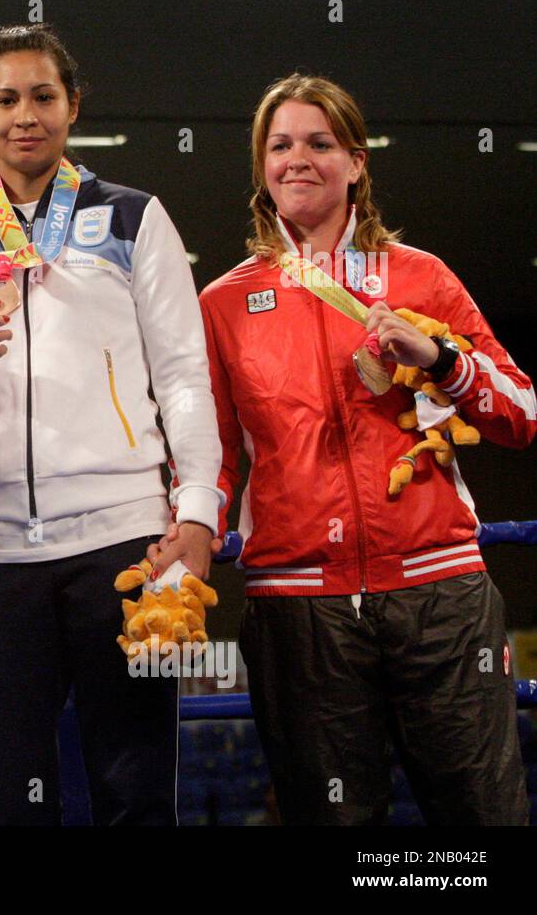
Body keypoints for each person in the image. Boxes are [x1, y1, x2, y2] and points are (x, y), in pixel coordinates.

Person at [188, 74, 536, 824]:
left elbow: (522, 413)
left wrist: (442, 359)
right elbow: (208, 456)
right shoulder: (222, 303)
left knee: (485, 819)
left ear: (356, 162)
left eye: (320, 143)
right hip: (298, 605)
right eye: (280, 145)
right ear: (261, 166)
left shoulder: (422, 276)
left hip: (439, 593)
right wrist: (186, 548)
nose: (298, 159)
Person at [0, 24, 224, 825]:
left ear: (73, 105)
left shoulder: (134, 218)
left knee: (138, 793)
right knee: (7, 798)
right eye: (7, 98)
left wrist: (196, 511)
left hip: (128, 543)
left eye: (43, 96)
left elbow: (183, 374)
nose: (26, 115)